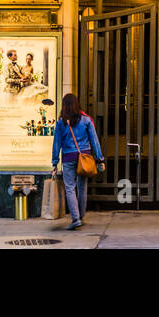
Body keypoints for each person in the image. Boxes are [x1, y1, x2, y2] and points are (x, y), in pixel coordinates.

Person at [50, 93, 105, 230]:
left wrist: (54, 162)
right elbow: (94, 141)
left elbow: (56, 144)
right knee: (82, 187)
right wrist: (99, 159)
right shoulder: (86, 120)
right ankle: (81, 216)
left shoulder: (60, 123)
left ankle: (75, 219)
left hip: (68, 158)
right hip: (84, 158)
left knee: (70, 188)